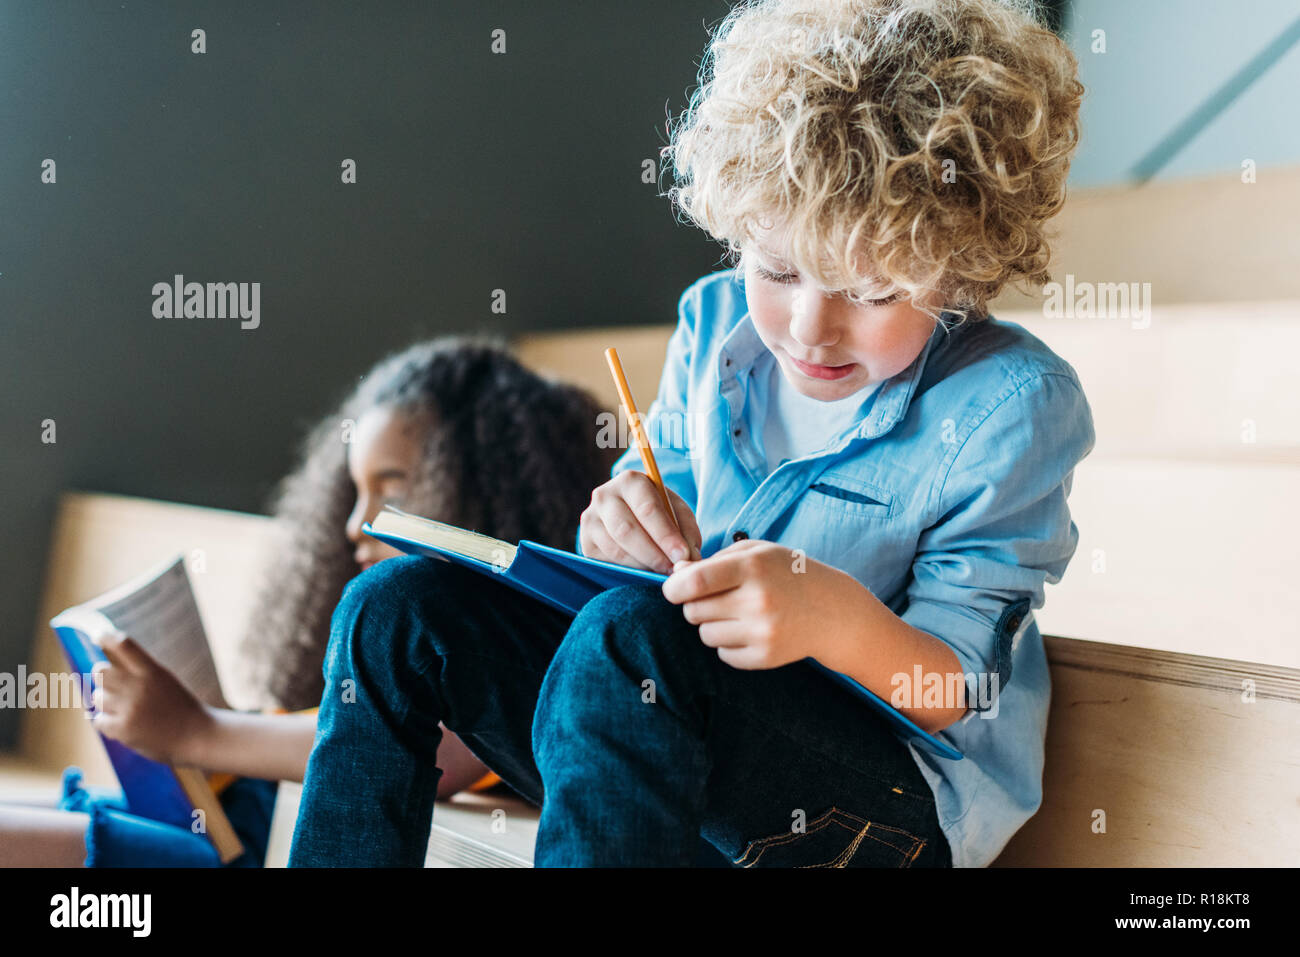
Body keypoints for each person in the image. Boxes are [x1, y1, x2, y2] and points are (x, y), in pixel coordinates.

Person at [288, 0, 1095, 868]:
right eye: (777, 270)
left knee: (628, 636)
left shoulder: (1012, 403)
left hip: (884, 814)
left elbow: (957, 685)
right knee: (395, 607)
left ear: (962, 263)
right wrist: (620, 520)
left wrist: (832, 618)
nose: (809, 328)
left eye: (869, 291)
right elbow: (645, 510)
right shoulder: (711, 327)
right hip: (668, 732)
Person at [0, 337, 617, 867]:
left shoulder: (506, 671)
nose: (357, 524)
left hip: (245, 848)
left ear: (485, 494)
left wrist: (196, 730)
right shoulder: (383, 642)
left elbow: (442, 750)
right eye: (354, 492)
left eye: (392, 489)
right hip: (228, 822)